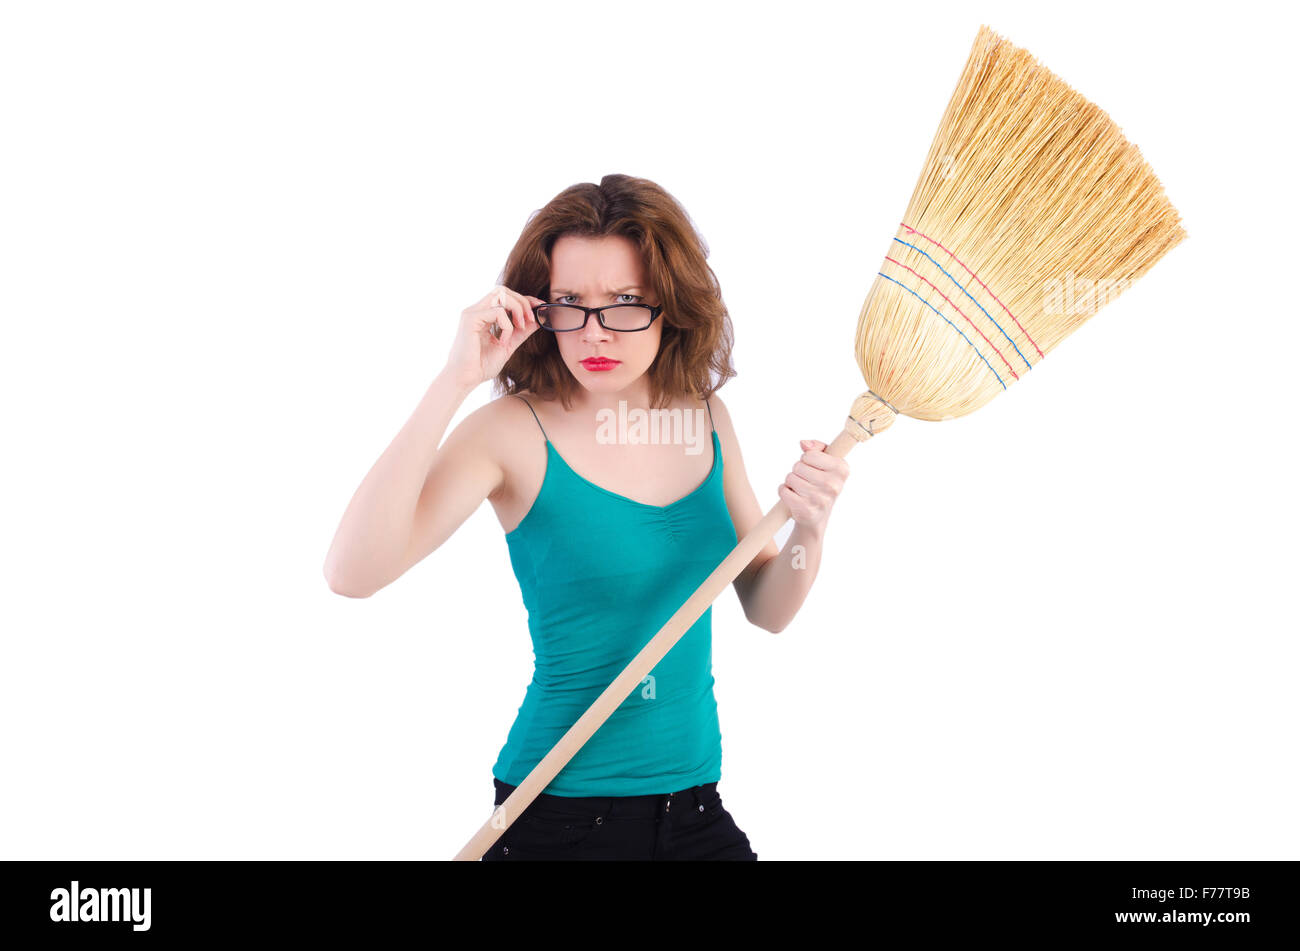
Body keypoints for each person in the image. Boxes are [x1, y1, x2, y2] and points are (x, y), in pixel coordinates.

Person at [324, 174, 851, 860]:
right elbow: (350, 572)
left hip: (692, 807)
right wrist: (455, 379)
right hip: (558, 812)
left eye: (625, 302)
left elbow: (766, 606)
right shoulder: (510, 433)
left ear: (671, 305)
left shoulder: (705, 420)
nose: (594, 331)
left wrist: (810, 525)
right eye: (570, 302)